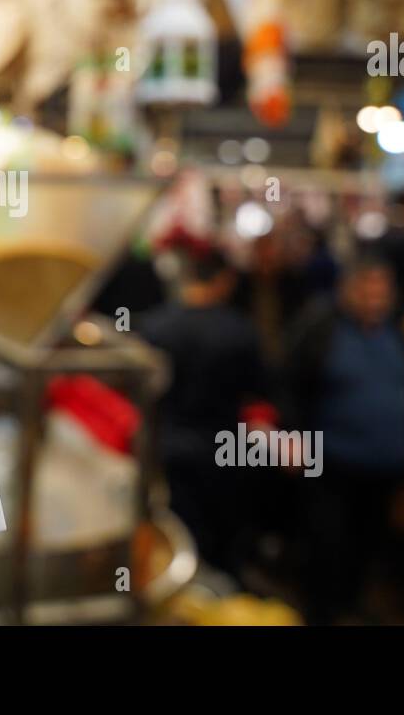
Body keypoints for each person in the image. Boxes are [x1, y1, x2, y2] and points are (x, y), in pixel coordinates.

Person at [285, 252, 404, 623]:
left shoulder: (397, 332)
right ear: (348, 290)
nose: (375, 300)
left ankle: (350, 604)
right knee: (327, 548)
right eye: (367, 291)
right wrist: (292, 440)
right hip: (332, 466)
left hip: (384, 467)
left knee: (367, 548)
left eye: (382, 292)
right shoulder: (322, 326)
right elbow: (289, 383)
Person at [137, 245, 271, 573]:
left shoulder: (152, 327)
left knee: (173, 543)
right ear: (225, 281)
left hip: (165, 450)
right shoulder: (240, 330)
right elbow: (258, 395)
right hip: (224, 454)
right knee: (222, 547)